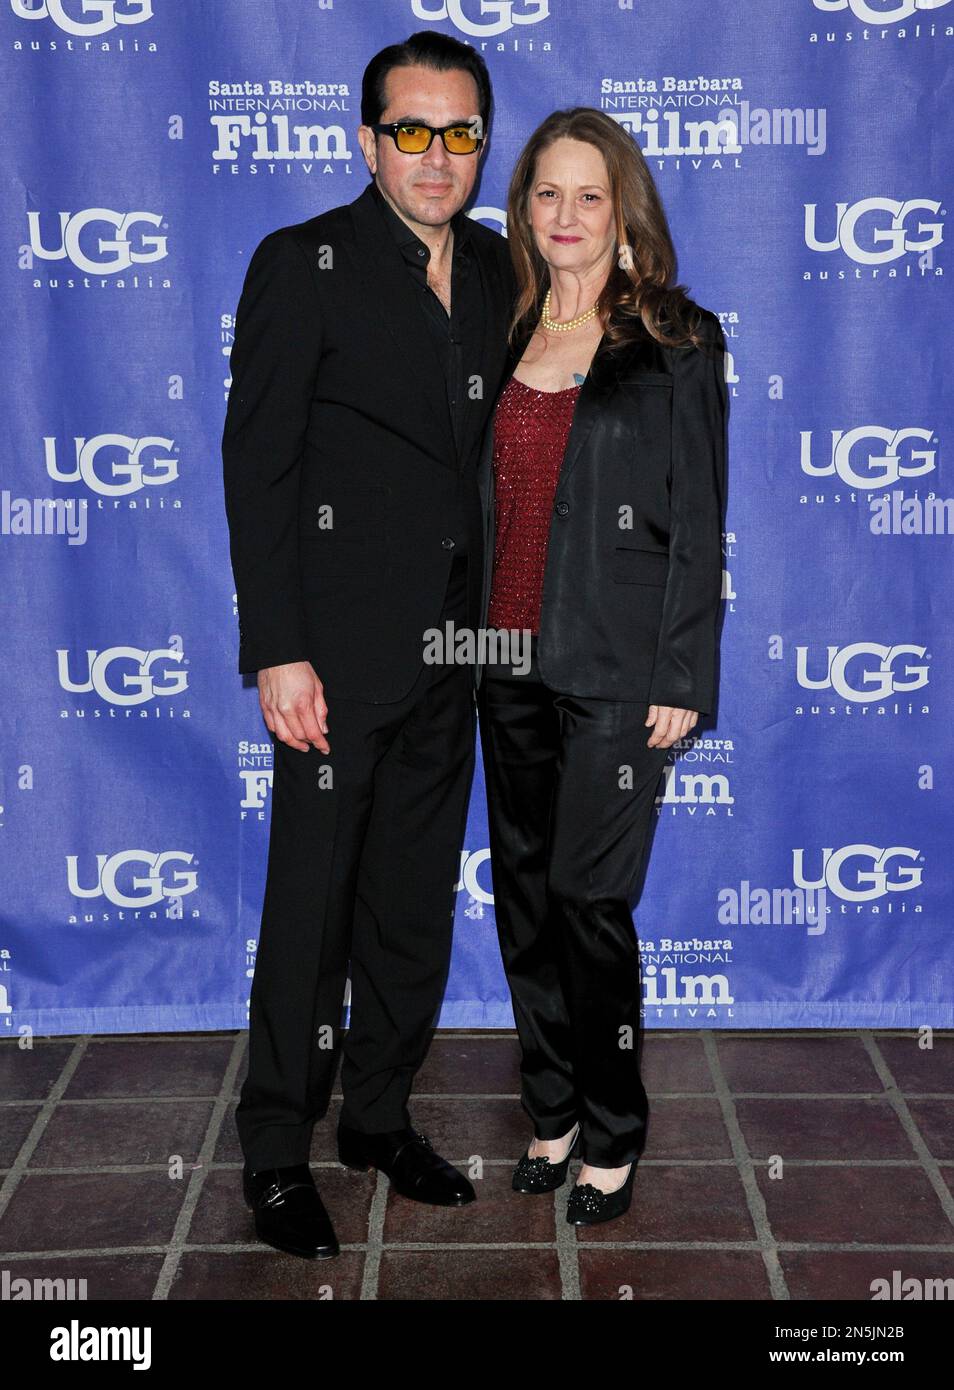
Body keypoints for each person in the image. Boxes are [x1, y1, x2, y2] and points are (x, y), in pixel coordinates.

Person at [221, 31, 515, 1260]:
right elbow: (259, 466)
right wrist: (278, 649)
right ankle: (278, 1150)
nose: (436, 155)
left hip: (460, 652)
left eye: (459, 133)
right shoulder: (306, 263)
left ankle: (379, 1119)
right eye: (411, 130)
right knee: (312, 910)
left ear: (481, 145)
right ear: (368, 140)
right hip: (333, 665)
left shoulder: (504, 267)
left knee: (409, 906)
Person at [475, 107, 728, 1227]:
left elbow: (703, 519)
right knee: (525, 898)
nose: (565, 215)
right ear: (522, 212)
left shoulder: (676, 337)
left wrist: (684, 672)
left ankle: (615, 1128)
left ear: (622, 211)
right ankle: (553, 1105)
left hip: (623, 672)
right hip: (503, 661)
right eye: (545, 193)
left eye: (588, 194)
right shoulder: (498, 329)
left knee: (588, 899)